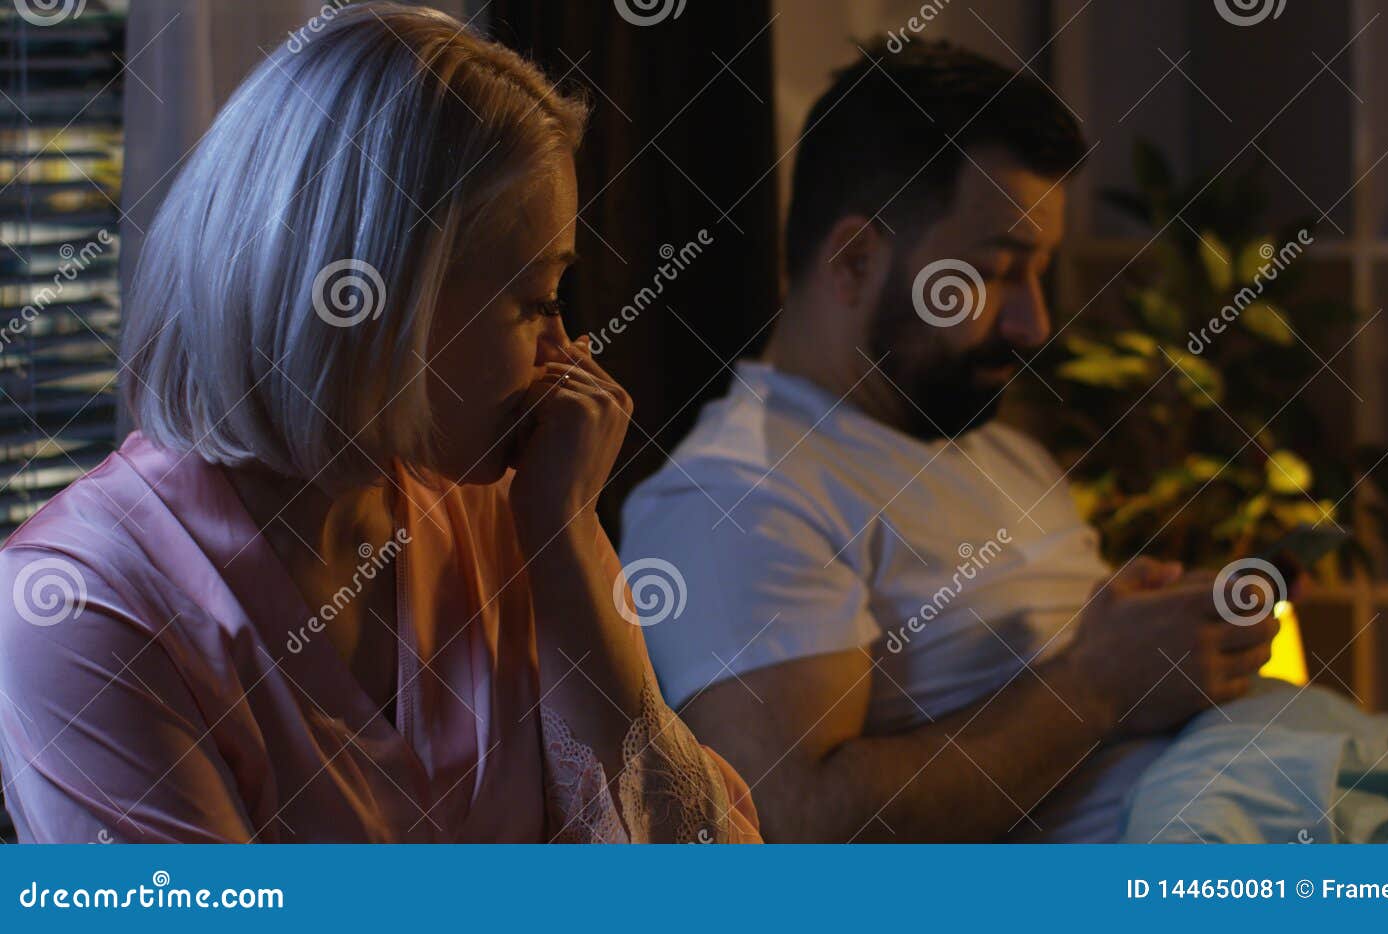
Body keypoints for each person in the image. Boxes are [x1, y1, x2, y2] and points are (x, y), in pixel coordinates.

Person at [0, 3, 758, 844]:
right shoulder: (84, 607)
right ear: (379, 304)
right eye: (537, 301)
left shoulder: (511, 512)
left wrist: (567, 541)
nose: (566, 354)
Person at [620, 39, 1278, 843]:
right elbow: (793, 825)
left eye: (1040, 273)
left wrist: (1158, 631)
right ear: (857, 260)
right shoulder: (740, 495)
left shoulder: (992, 441)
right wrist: (1100, 687)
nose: (1033, 323)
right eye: (999, 271)